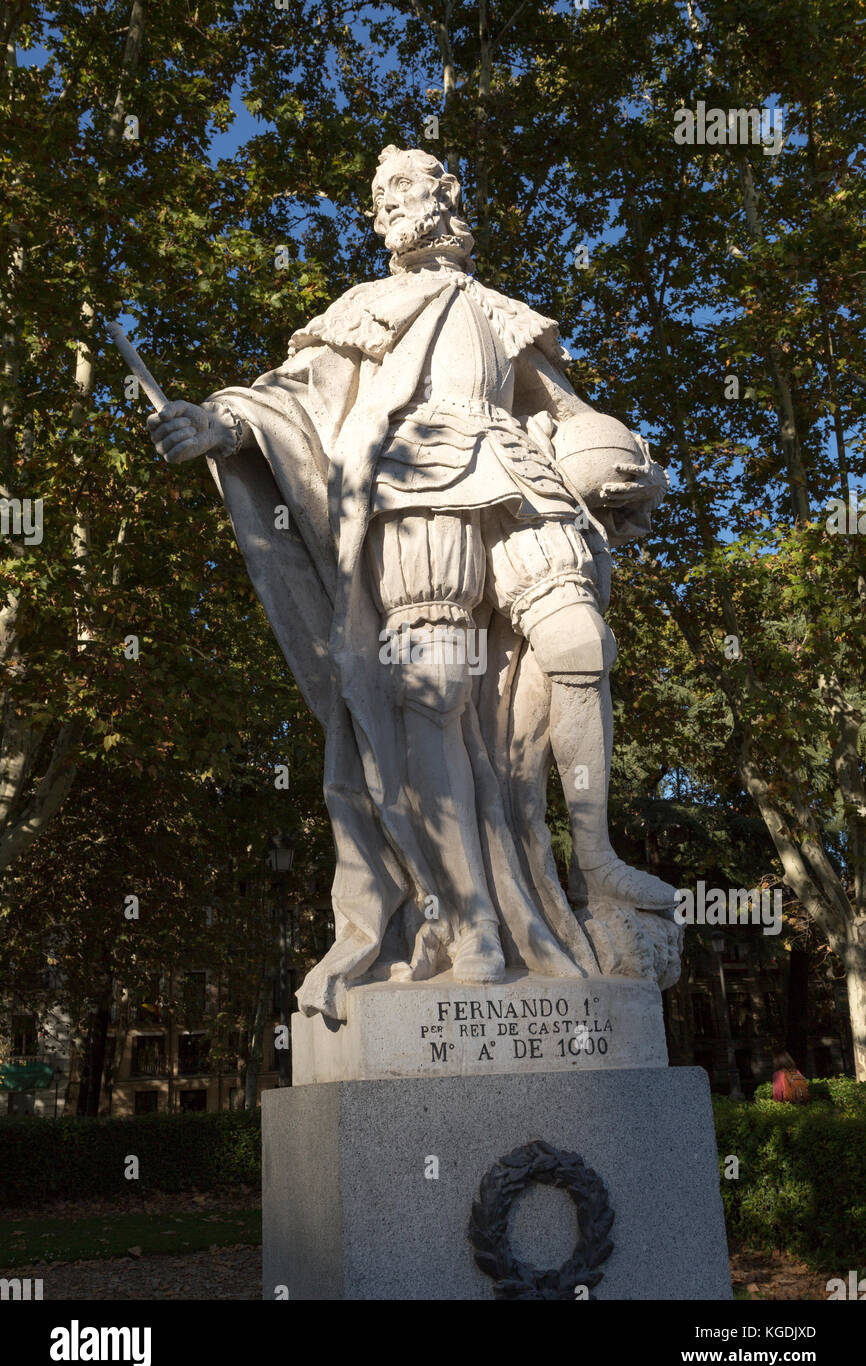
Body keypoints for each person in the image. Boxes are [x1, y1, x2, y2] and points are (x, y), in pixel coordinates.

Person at [146, 146, 678, 1019]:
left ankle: (595, 857)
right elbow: (292, 398)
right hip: (412, 485)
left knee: (579, 645)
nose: (388, 201)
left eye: (405, 186)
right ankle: (467, 918)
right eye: (379, 193)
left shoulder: (497, 309)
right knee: (432, 695)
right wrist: (219, 424)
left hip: (516, 475)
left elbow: (563, 411)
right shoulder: (363, 308)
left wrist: (625, 467)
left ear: (446, 197)